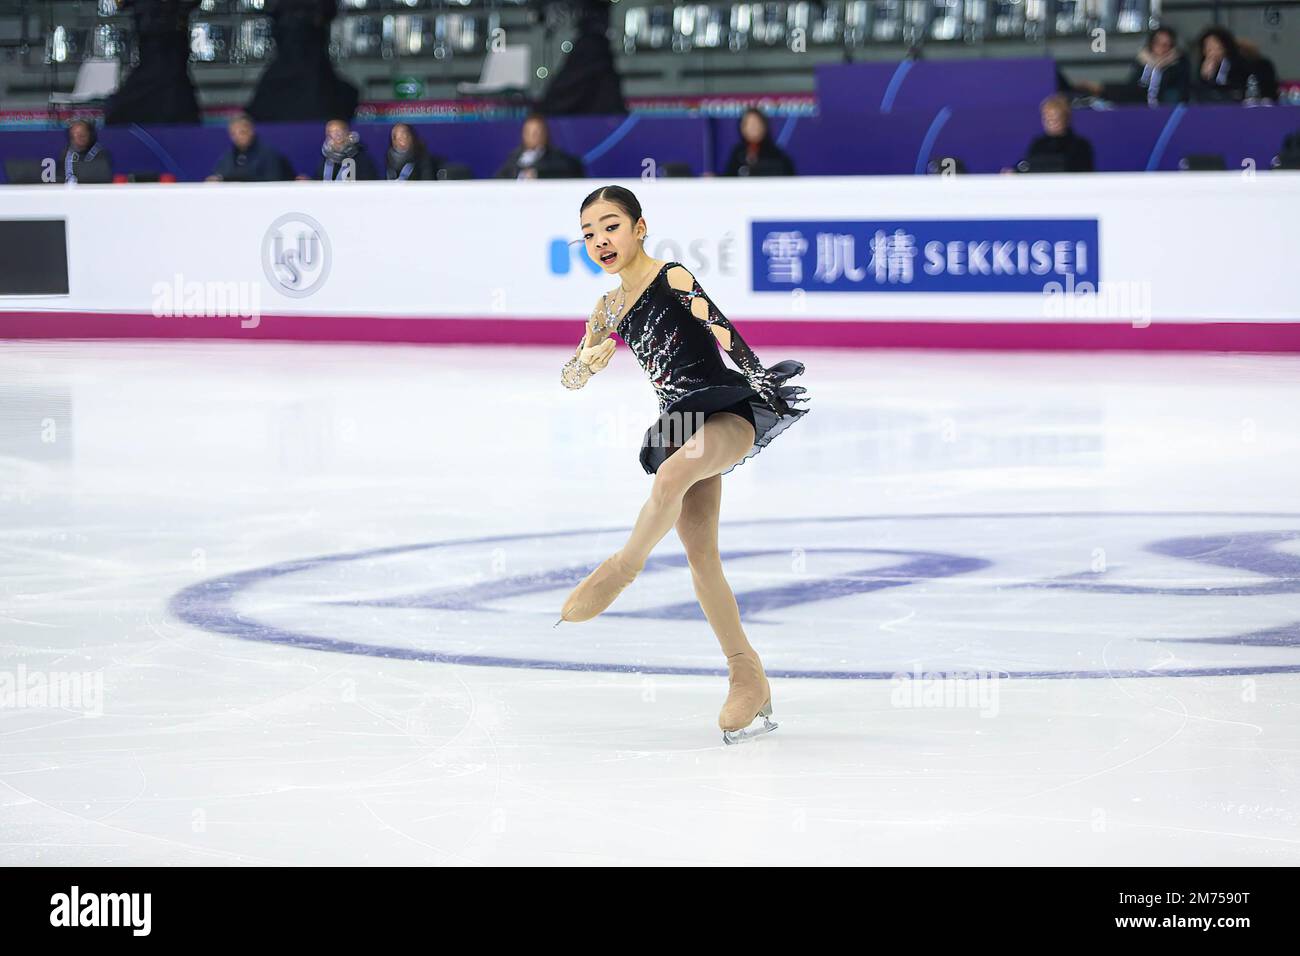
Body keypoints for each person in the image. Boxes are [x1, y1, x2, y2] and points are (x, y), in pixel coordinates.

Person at [556, 185, 810, 744]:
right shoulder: (606, 309)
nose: (601, 240)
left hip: (723, 407)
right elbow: (569, 377)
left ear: (639, 228)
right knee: (700, 555)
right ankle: (748, 674)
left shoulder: (670, 275)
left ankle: (624, 567)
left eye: (611, 226)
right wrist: (587, 362)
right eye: (590, 233)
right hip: (676, 419)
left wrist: (762, 381)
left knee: (672, 475)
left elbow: (726, 335)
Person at [494, 113, 584, 180]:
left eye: (537, 131)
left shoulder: (558, 157)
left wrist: (538, 174)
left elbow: (570, 172)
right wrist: (520, 175)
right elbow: (500, 178)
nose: (533, 135)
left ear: (545, 133)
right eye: (529, 132)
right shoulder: (515, 157)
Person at [207, 114, 292, 182]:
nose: (237, 137)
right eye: (233, 134)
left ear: (251, 131)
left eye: (242, 132)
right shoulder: (227, 158)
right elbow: (219, 175)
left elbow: (273, 182)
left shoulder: (269, 154)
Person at [1021, 94, 1094, 172]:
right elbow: (1029, 168)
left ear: (1067, 119)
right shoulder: (1037, 144)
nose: (1052, 123)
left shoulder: (1080, 145)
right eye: (1048, 119)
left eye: (1056, 118)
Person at [722, 108, 795, 177]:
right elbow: (728, 179)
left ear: (764, 126)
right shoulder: (738, 153)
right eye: (748, 124)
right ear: (742, 128)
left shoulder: (777, 155)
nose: (752, 127)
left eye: (756, 123)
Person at [308, 118, 378, 181]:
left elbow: (368, 183)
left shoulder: (361, 158)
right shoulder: (326, 158)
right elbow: (319, 181)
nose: (335, 135)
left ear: (346, 133)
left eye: (338, 131)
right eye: (330, 131)